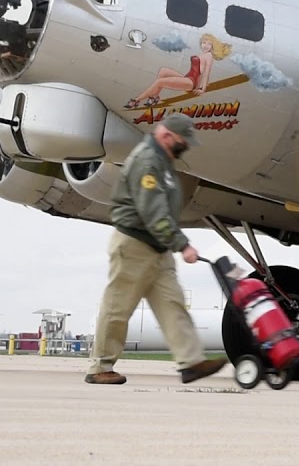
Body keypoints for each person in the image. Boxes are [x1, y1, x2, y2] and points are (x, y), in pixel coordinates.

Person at [85, 113, 230, 385]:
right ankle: (100, 367)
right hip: (134, 244)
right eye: (182, 141)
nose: (185, 146)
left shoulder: (162, 162)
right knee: (118, 307)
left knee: (172, 304)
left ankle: (191, 362)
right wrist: (182, 244)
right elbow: (152, 211)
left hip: (157, 247)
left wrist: (170, 243)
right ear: (166, 136)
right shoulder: (148, 161)